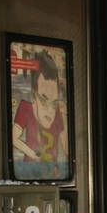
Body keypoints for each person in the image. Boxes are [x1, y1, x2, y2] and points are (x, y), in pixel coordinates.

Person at [12, 49, 68, 178]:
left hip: (51, 172)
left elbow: (66, 149)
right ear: (33, 97)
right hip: (28, 171)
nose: (49, 109)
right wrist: (32, 154)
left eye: (54, 103)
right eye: (44, 100)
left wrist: (64, 115)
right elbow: (13, 138)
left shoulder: (59, 113)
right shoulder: (26, 108)